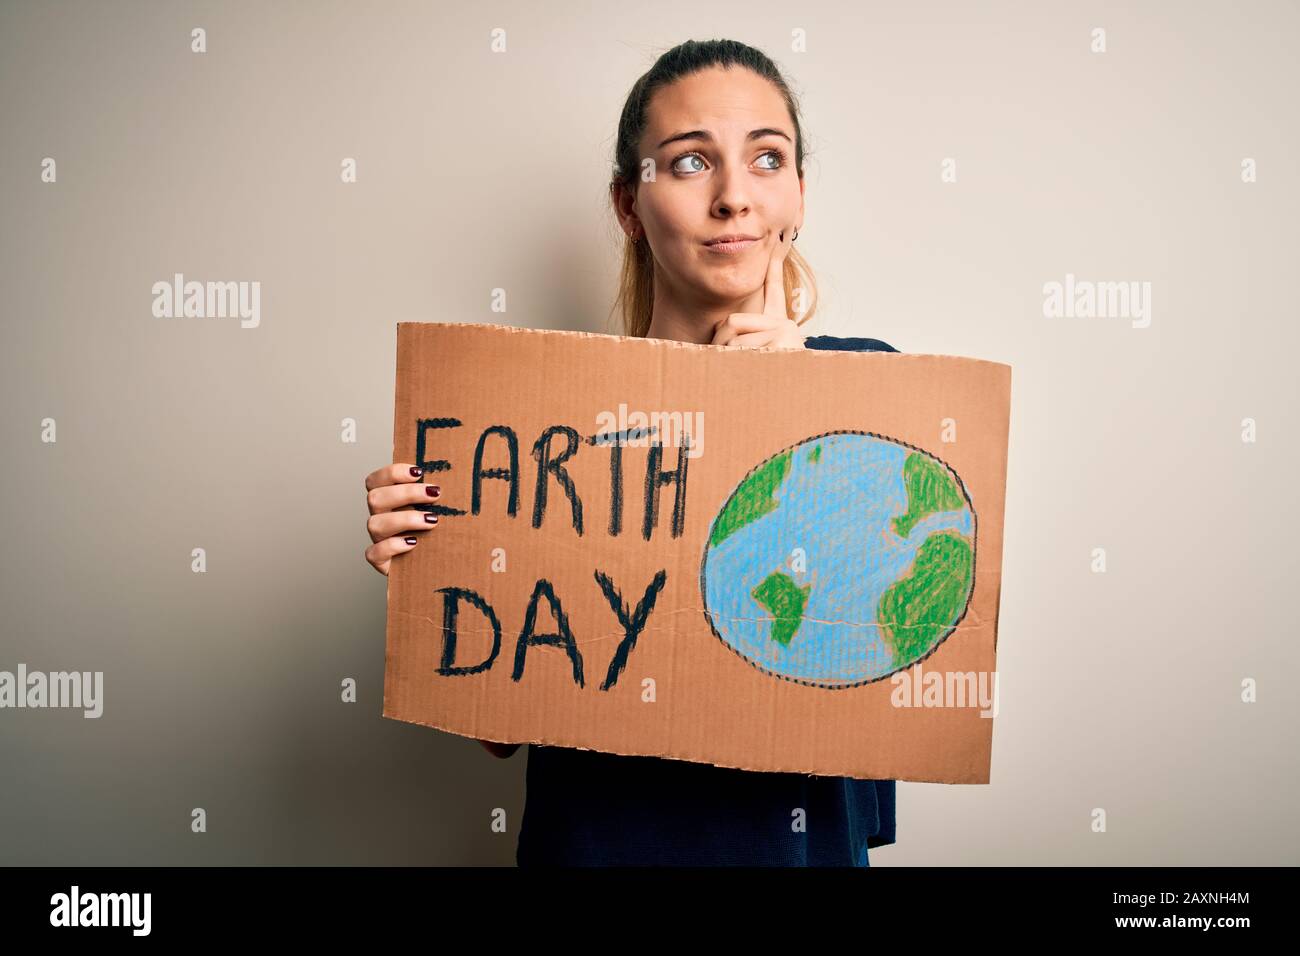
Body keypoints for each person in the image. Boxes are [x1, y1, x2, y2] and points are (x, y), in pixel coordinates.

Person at [363, 38, 897, 866]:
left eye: (766, 159)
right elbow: (502, 735)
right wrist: (435, 572)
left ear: (799, 194)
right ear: (628, 202)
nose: (733, 199)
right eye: (689, 164)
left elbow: (897, 672)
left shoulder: (877, 397)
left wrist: (806, 408)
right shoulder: (546, 435)